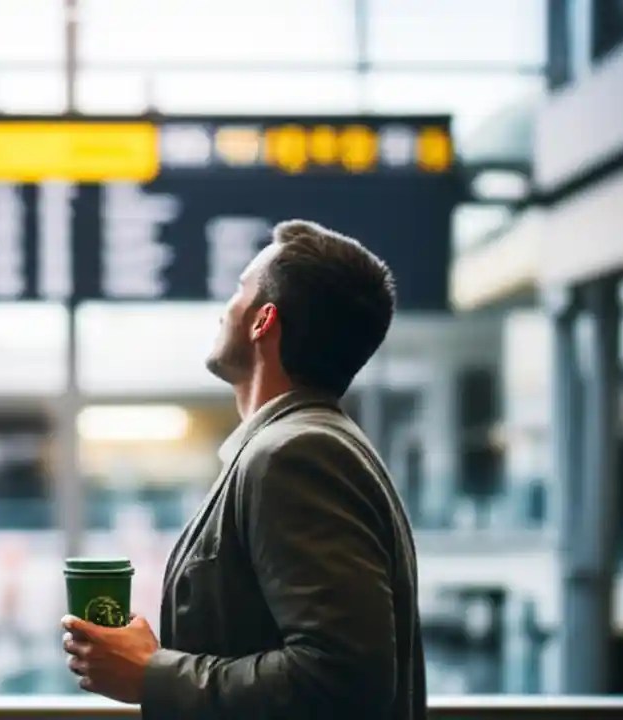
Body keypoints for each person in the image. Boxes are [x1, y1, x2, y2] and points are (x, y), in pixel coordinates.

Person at [61, 220, 424, 719]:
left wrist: (152, 673)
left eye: (239, 290)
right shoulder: (307, 443)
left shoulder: (296, 454)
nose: (225, 308)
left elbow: (343, 677)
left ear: (262, 321)